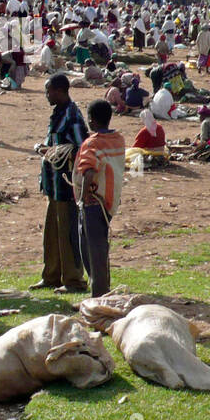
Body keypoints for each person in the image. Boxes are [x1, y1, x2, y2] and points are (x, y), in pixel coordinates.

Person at [33, 73, 88, 293]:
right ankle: (51, 276)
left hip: (65, 186)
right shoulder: (59, 113)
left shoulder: (72, 116)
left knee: (68, 235)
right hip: (53, 186)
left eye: (49, 91)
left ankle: (73, 280)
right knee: (52, 234)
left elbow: (81, 148)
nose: (47, 95)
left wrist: (51, 151)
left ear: (60, 91)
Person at [74, 99, 125, 298]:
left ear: (92, 121)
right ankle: (102, 290)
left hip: (93, 202)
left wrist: (83, 197)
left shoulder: (93, 143)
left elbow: (88, 171)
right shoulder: (118, 140)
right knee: (98, 247)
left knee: (92, 249)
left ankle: (99, 295)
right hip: (109, 200)